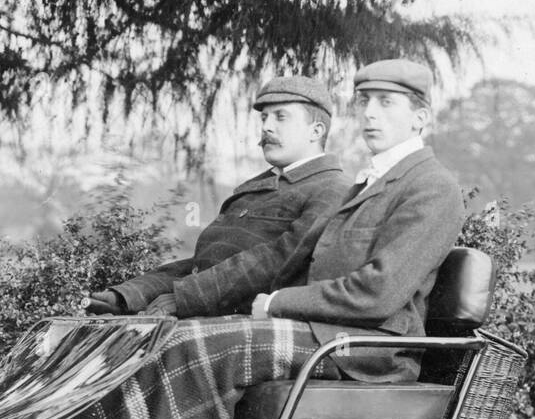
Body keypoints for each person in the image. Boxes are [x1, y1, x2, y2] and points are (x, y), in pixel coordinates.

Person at [0, 60, 465, 419]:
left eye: (386, 104)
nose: (370, 114)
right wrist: (144, 295)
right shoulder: (370, 184)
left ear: (420, 118)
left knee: (195, 347)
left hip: (367, 351)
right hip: (327, 333)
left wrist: (277, 303)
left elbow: (379, 292)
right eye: (365, 101)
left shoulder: (431, 186)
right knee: (181, 342)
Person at [87, 76, 349, 318]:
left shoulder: (331, 189)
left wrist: (183, 300)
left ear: (315, 131)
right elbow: (203, 265)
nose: (267, 127)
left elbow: (278, 263)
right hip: (214, 311)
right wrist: (131, 295)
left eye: (281, 117)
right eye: (264, 118)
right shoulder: (257, 189)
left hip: (261, 319)